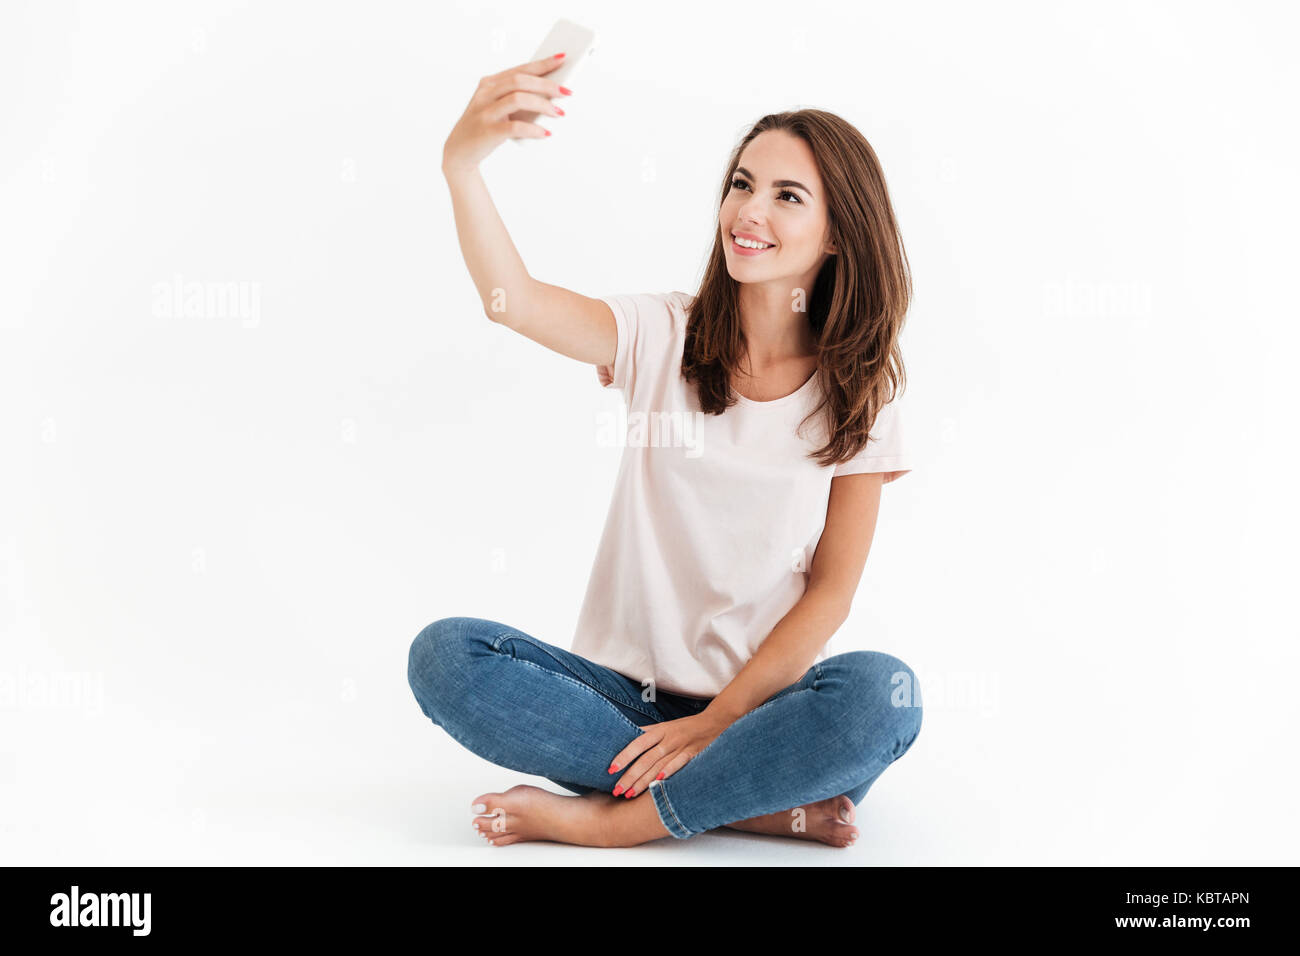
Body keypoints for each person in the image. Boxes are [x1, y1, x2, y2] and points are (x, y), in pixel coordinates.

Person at [409, 50, 922, 848]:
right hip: (621, 706)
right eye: (743, 184)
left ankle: (611, 824)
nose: (750, 211)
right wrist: (462, 166)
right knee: (445, 656)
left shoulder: (858, 393)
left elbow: (831, 594)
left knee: (881, 695)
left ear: (835, 237)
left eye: (788, 196)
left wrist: (720, 723)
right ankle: (752, 805)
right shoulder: (664, 333)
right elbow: (514, 303)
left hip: (763, 713)